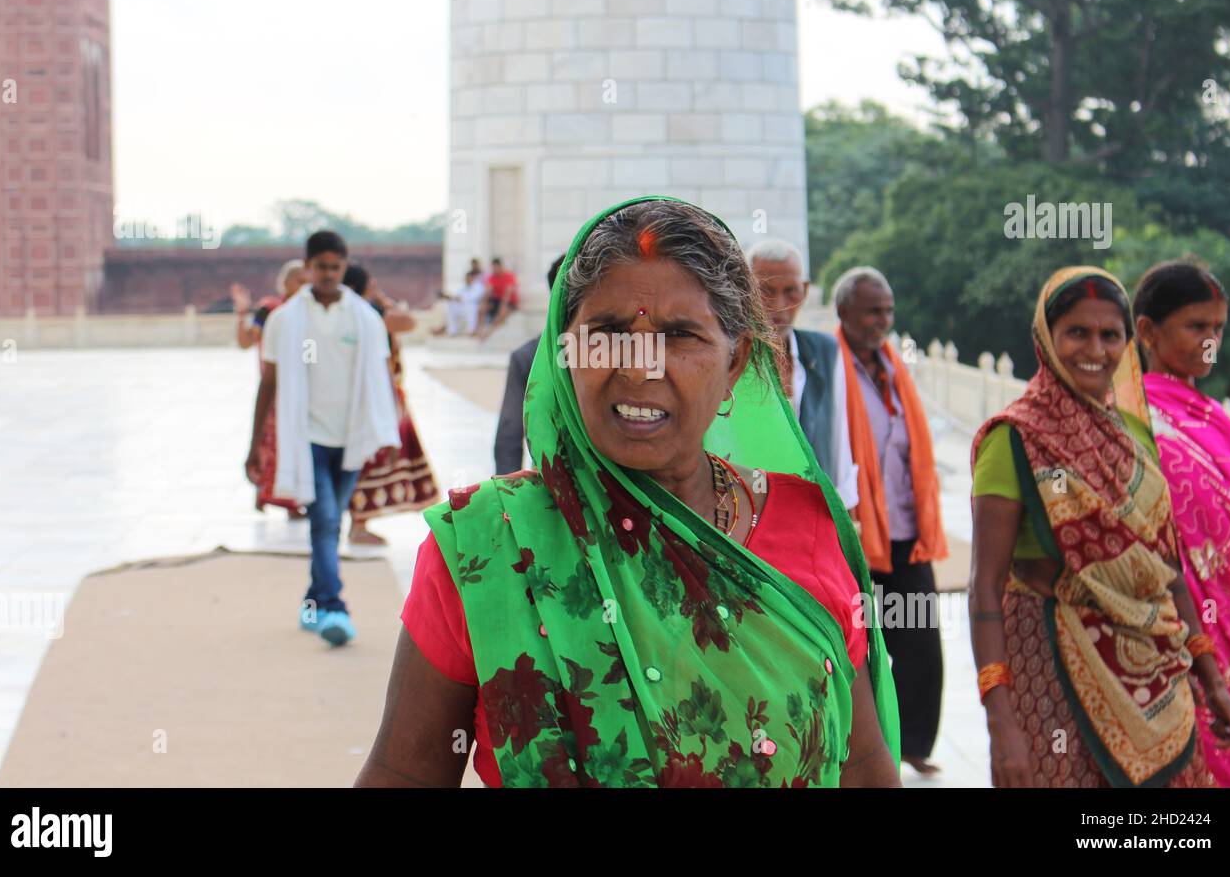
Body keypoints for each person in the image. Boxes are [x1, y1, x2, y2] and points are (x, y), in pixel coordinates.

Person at [357, 197, 901, 788]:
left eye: (679, 334)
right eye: (609, 332)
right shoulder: (486, 549)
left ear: (736, 362)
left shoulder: (808, 527)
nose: (640, 368)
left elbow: (865, 768)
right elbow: (400, 773)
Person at [969, 266, 1230, 787]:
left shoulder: (1135, 433)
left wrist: (1211, 679)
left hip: (1155, 664)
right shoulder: (1013, 439)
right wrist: (1000, 722)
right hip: (1051, 662)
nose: (1094, 348)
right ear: (1045, 339)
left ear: (1127, 341)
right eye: (1077, 332)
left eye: (1109, 334)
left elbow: (1164, 568)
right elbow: (984, 586)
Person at [1134, 259, 1230, 787]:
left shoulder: (1216, 419)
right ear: (1146, 331)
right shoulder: (1134, 421)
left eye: (1217, 328)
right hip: (1172, 630)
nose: (1211, 342)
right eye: (1196, 327)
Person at [245, 231, 401, 647]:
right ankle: (334, 606)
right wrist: (254, 445)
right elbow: (269, 382)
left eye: (336, 267)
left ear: (344, 267)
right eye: (322, 267)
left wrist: (389, 431)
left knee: (330, 523)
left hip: (350, 438)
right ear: (308, 268)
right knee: (327, 520)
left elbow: (382, 377)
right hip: (307, 437)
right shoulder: (285, 318)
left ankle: (312, 601)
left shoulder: (365, 318)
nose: (329, 274)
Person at [831, 266, 948, 775]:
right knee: (861, 646)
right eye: (873, 311)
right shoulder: (828, 365)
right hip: (855, 532)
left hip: (903, 529)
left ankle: (914, 745)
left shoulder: (893, 367)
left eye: (888, 311)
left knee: (921, 641)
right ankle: (861, 750)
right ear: (844, 314)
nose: (884, 320)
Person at [748, 239, 857, 510]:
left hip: (813, 511)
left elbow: (838, 442)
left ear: (805, 290)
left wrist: (843, 514)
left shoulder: (825, 352)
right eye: (766, 291)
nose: (780, 305)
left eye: (791, 291)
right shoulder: (729, 357)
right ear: (744, 289)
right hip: (749, 515)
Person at [343, 263, 440, 546]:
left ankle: (358, 523)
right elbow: (409, 321)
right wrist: (381, 298)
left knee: (369, 457)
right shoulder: (372, 314)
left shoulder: (350, 315)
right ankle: (359, 525)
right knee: (376, 456)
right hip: (380, 395)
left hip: (362, 395)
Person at [232, 261, 308, 518]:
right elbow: (246, 342)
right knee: (273, 441)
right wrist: (241, 313)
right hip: (274, 386)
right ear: (284, 282)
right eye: (298, 280)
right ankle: (272, 495)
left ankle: (290, 497)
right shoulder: (271, 310)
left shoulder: (310, 314)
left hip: (301, 388)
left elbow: (311, 354)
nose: (304, 286)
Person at [494, 255, 564, 475]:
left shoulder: (527, 356)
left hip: (551, 491)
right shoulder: (618, 352)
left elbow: (508, 435)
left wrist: (509, 500)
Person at [476, 257, 519, 339]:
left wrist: (502, 308)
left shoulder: (509, 276)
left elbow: (507, 295)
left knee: (501, 314)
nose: (494, 270)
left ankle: (488, 333)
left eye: (495, 267)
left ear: (500, 266)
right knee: (481, 309)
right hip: (497, 300)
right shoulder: (492, 277)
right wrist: (483, 304)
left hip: (510, 301)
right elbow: (488, 292)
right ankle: (480, 332)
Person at [437, 267, 488, 337]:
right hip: (463, 307)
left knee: (470, 306)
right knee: (450, 304)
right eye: (466, 278)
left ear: (472, 278)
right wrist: (448, 297)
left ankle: (471, 330)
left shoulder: (478, 287)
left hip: (474, 307)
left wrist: (460, 299)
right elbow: (457, 296)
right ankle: (452, 330)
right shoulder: (463, 287)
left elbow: (473, 298)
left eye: (469, 278)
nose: (467, 280)